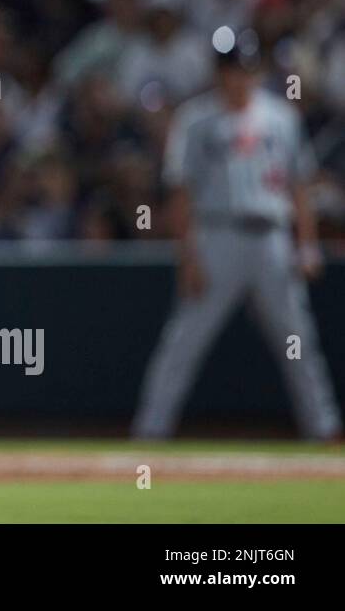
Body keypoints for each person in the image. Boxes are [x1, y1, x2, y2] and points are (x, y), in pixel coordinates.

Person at [131, 31, 341, 441]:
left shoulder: (281, 117)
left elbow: (298, 187)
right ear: (218, 73)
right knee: (186, 339)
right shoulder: (196, 120)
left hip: (272, 237)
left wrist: (307, 243)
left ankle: (323, 426)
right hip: (217, 235)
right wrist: (188, 256)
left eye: (244, 70)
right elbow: (181, 191)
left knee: (296, 339)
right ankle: (151, 428)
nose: (237, 79)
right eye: (230, 70)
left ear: (256, 72)